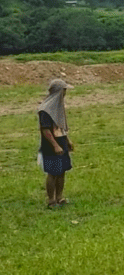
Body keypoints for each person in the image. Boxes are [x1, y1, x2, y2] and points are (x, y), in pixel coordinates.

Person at [38, 79, 74, 209]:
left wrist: (67, 140)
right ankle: (51, 200)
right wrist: (55, 145)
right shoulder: (45, 109)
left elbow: (60, 126)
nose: (65, 93)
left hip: (61, 141)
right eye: (64, 90)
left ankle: (60, 197)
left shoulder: (58, 107)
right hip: (51, 145)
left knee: (62, 170)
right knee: (53, 172)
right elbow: (45, 129)